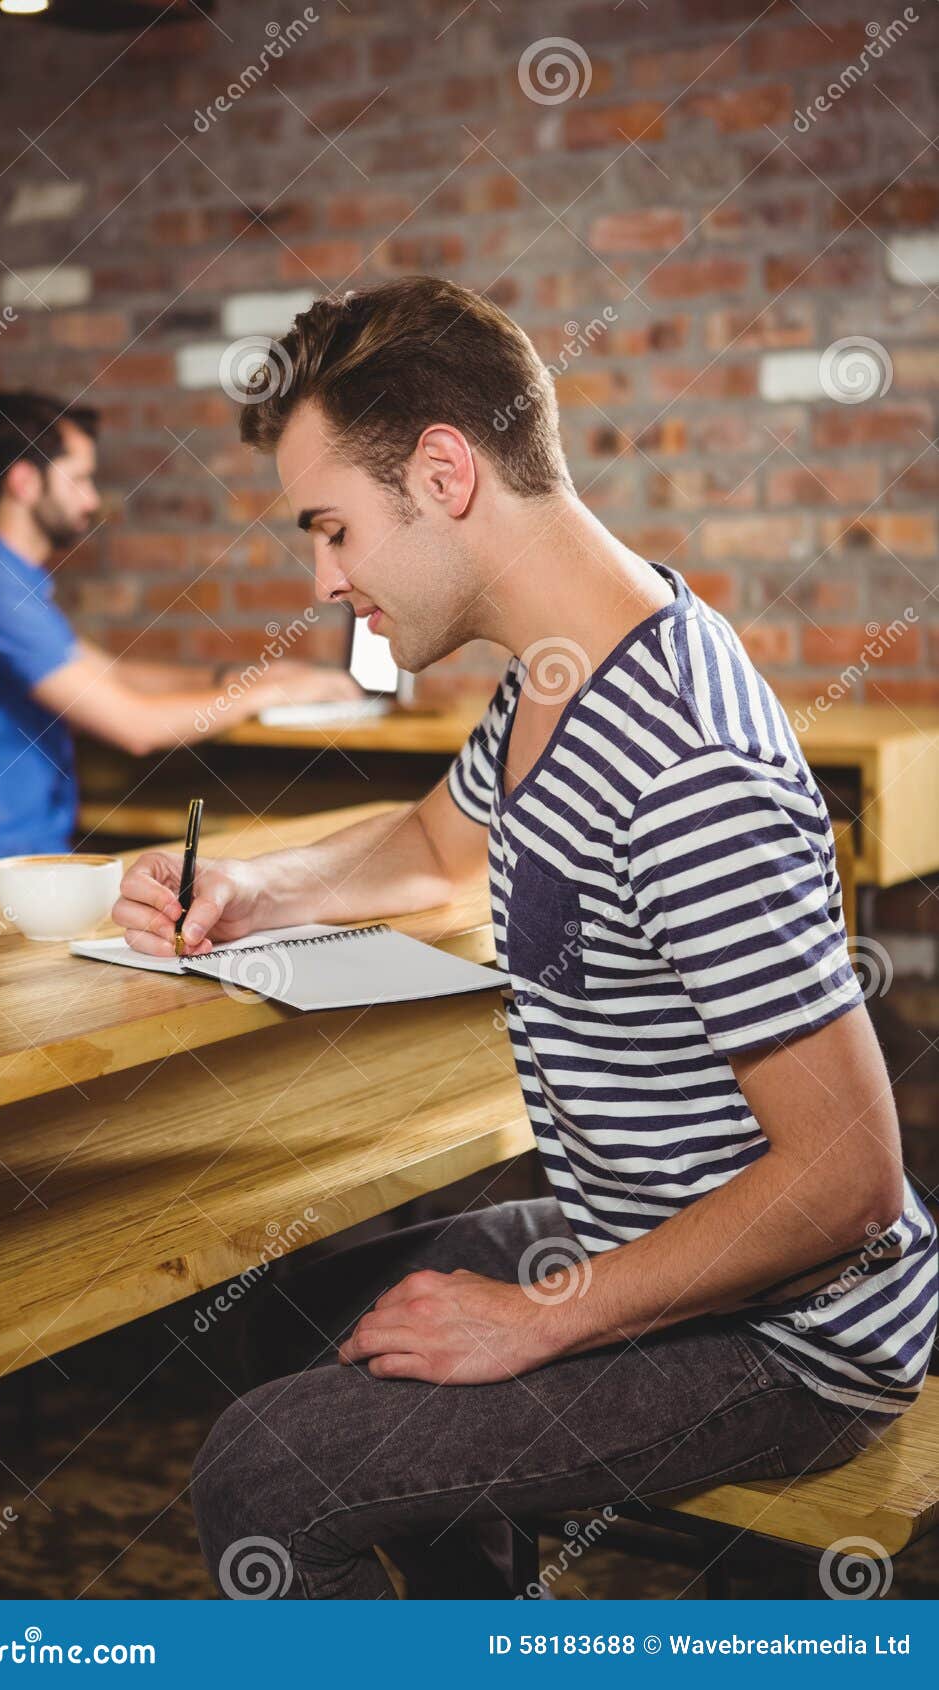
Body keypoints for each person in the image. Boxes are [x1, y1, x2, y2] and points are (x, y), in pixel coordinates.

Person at [111, 276, 937, 1600]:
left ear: (441, 472)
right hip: (645, 1224)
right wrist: (256, 893)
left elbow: (842, 1181)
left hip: (793, 1336)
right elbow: (439, 840)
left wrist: (533, 1317)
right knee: (304, 1310)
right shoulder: (557, 671)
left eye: (330, 528)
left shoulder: (681, 761)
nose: (322, 577)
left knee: (266, 1470)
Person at [0, 391, 358, 896]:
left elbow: (103, 672)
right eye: (79, 479)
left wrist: (234, 679)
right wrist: (271, 695)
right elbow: (135, 726)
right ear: (23, 481)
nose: (90, 499)